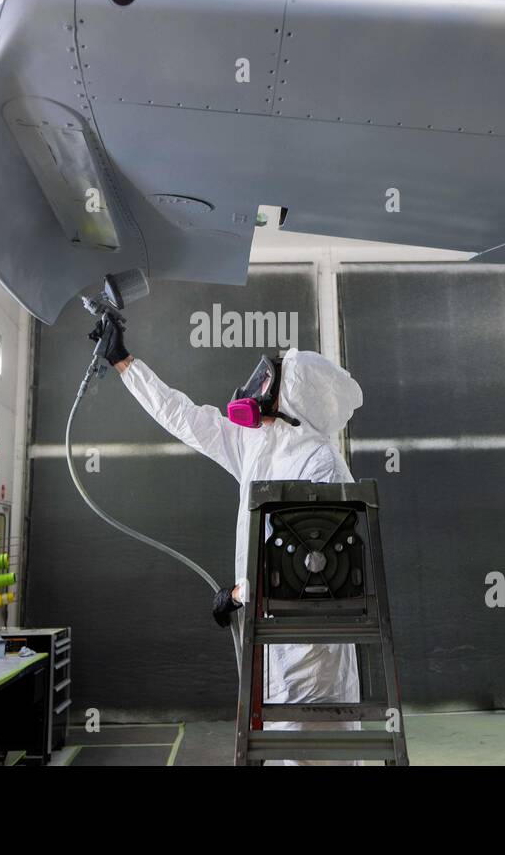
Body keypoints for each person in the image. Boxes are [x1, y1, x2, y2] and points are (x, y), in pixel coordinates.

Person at [91, 312, 363, 764]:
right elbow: (183, 417)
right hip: (268, 639)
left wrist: (242, 592)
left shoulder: (321, 466)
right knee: (276, 746)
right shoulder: (259, 443)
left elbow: (315, 571)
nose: (255, 388)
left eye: (268, 382)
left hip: (313, 651)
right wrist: (124, 362)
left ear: (292, 397)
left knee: (310, 750)